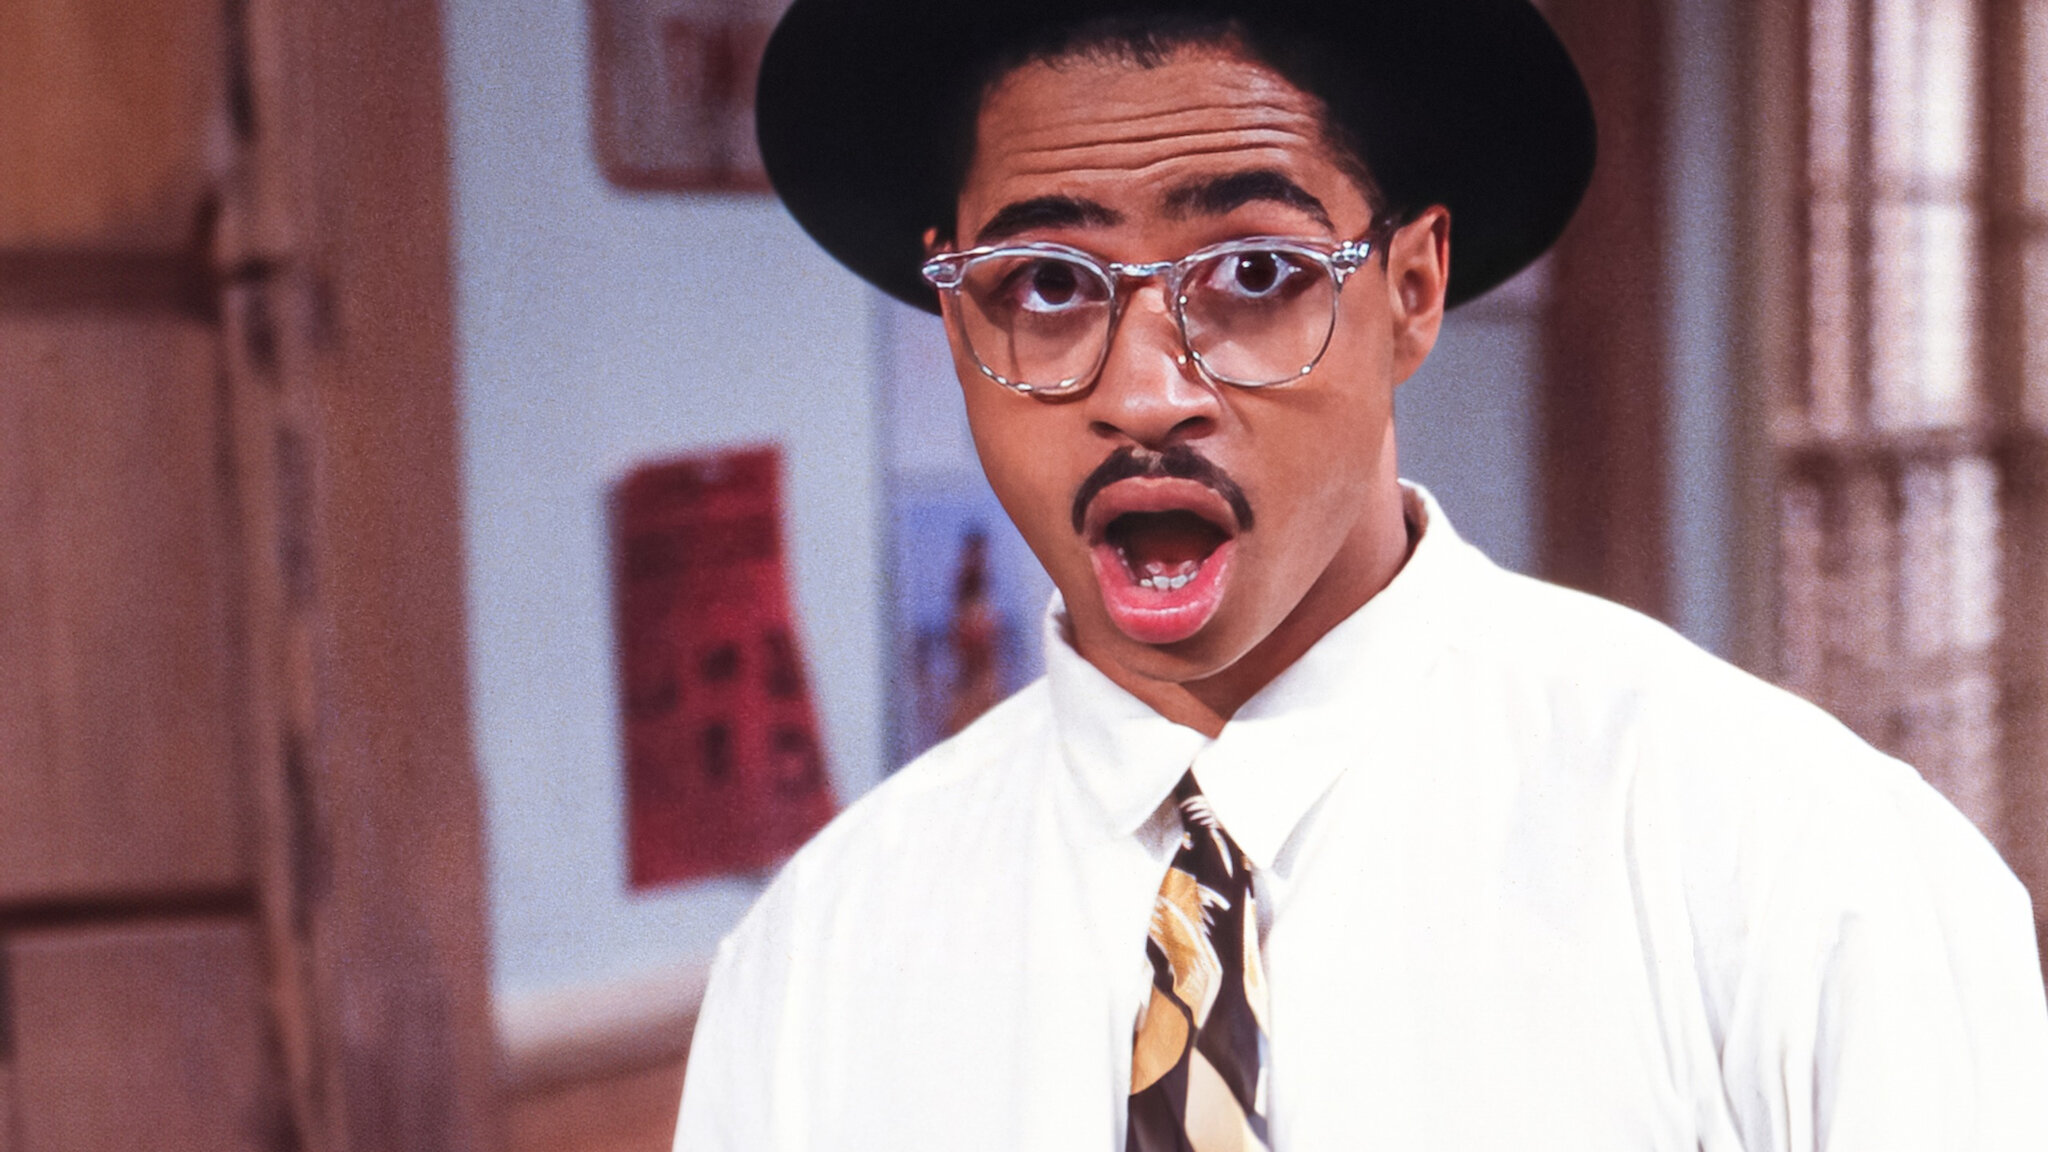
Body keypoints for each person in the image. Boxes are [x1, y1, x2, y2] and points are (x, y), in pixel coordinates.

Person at [675, 0, 2048, 1147]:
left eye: (1255, 271)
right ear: (954, 310)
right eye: (1046, 285)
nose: (1146, 392)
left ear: (1412, 291)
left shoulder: (1801, 878)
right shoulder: (816, 971)